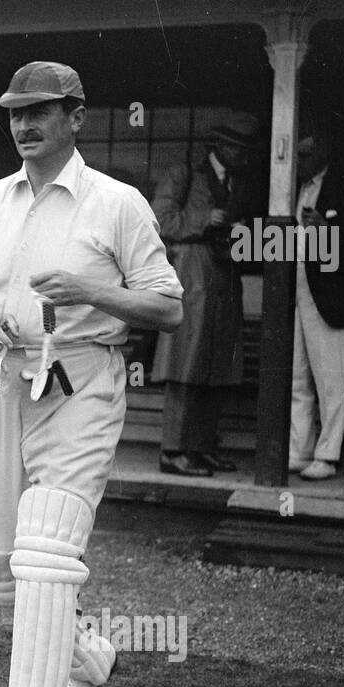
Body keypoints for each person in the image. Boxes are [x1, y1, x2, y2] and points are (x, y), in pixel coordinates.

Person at [0, 61, 183, 687]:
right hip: (4, 383)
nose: (25, 126)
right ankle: (86, 659)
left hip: (84, 381)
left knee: (48, 554)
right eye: (16, 113)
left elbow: (167, 308)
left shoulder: (116, 204)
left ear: (76, 116)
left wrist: (90, 289)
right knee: (5, 569)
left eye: (42, 113)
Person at [150, 113, 263, 477]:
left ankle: (201, 447)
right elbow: (159, 221)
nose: (244, 157)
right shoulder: (184, 174)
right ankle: (173, 451)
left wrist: (239, 231)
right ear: (222, 146)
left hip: (225, 275)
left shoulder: (238, 182)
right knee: (184, 364)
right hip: (191, 273)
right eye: (239, 149)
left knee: (217, 365)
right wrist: (204, 218)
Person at [288, 123, 344, 481]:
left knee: (331, 379)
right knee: (298, 377)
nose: (300, 161)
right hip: (296, 293)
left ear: (324, 151)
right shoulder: (293, 187)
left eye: (306, 154)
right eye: (297, 154)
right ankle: (300, 449)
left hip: (330, 295)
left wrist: (327, 228)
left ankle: (327, 454)